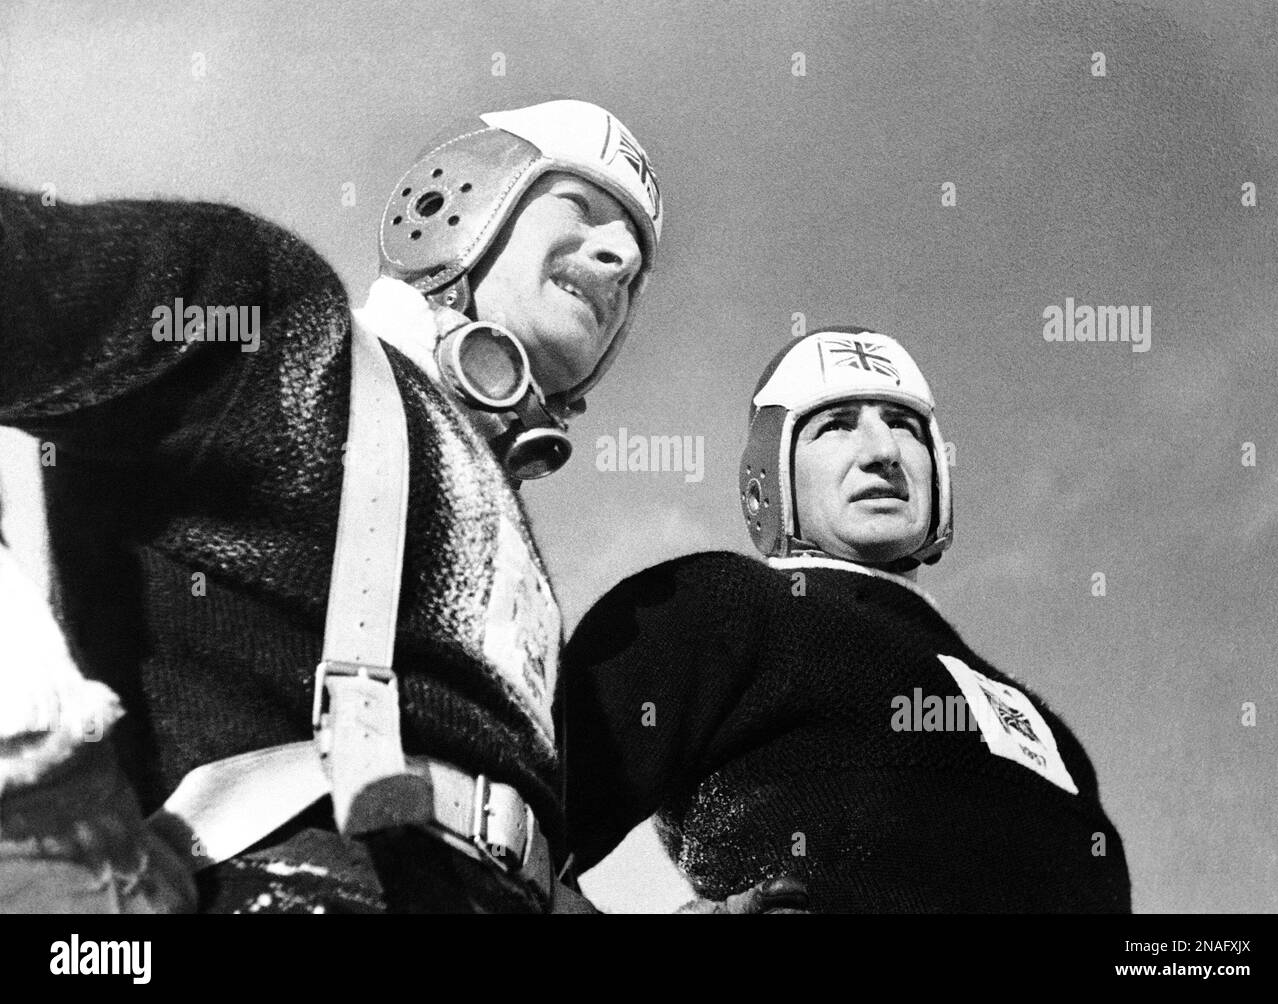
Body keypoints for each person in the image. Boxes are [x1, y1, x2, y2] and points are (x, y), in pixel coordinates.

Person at [0, 98, 662, 913]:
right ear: (457, 201)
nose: (622, 255)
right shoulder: (277, 319)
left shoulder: (517, 554)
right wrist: (27, 756)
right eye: (584, 208)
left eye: (636, 260)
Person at [558, 327, 1132, 912]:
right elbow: (504, 816)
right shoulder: (718, 603)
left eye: (904, 426)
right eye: (835, 425)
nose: (883, 451)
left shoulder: (1047, 732)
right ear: (769, 479)